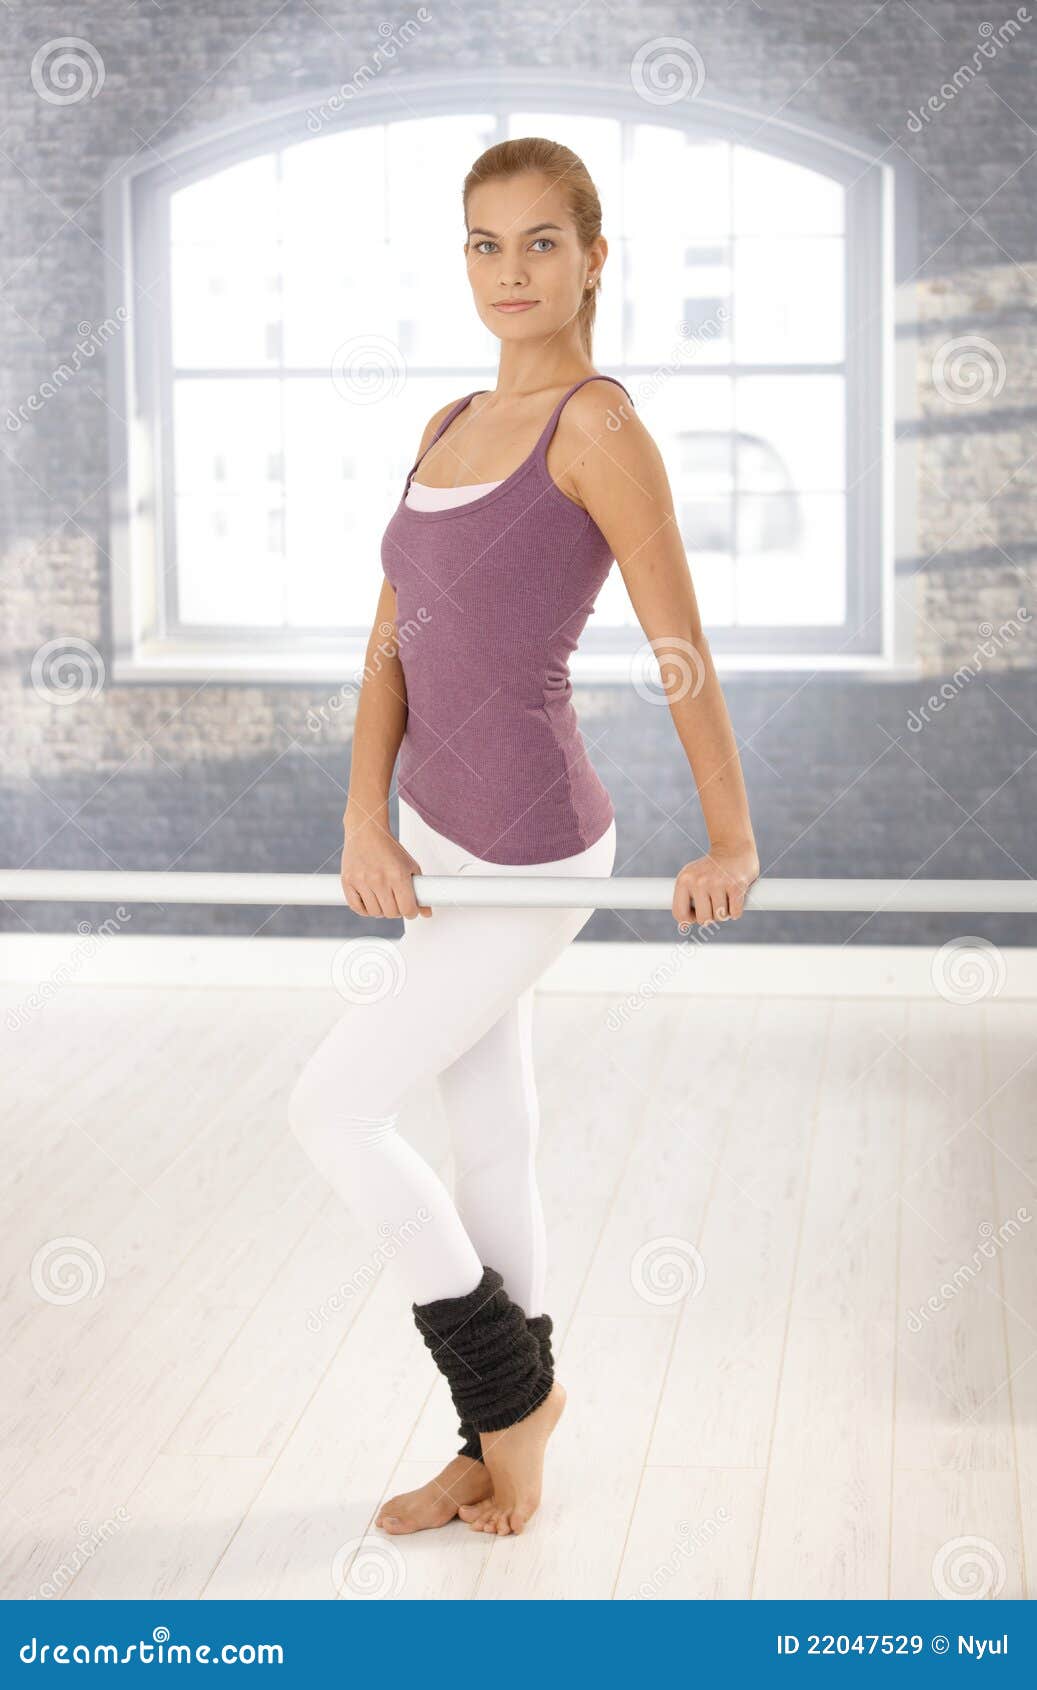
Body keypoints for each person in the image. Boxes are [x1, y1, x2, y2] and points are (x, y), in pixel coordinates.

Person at [287, 136, 760, 1539]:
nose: (510, 271)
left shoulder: (597, 427)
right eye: (484, 244)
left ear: (592, 258)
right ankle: (498, 1450)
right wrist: (365, 815)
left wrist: (727, 838)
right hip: (430, 840)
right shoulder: (443, 423)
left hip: (534, 852)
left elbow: (680, 649)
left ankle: (514, 1395)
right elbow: (388, 649)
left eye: (540, 242)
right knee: (490, 1140)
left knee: (331, 1109)